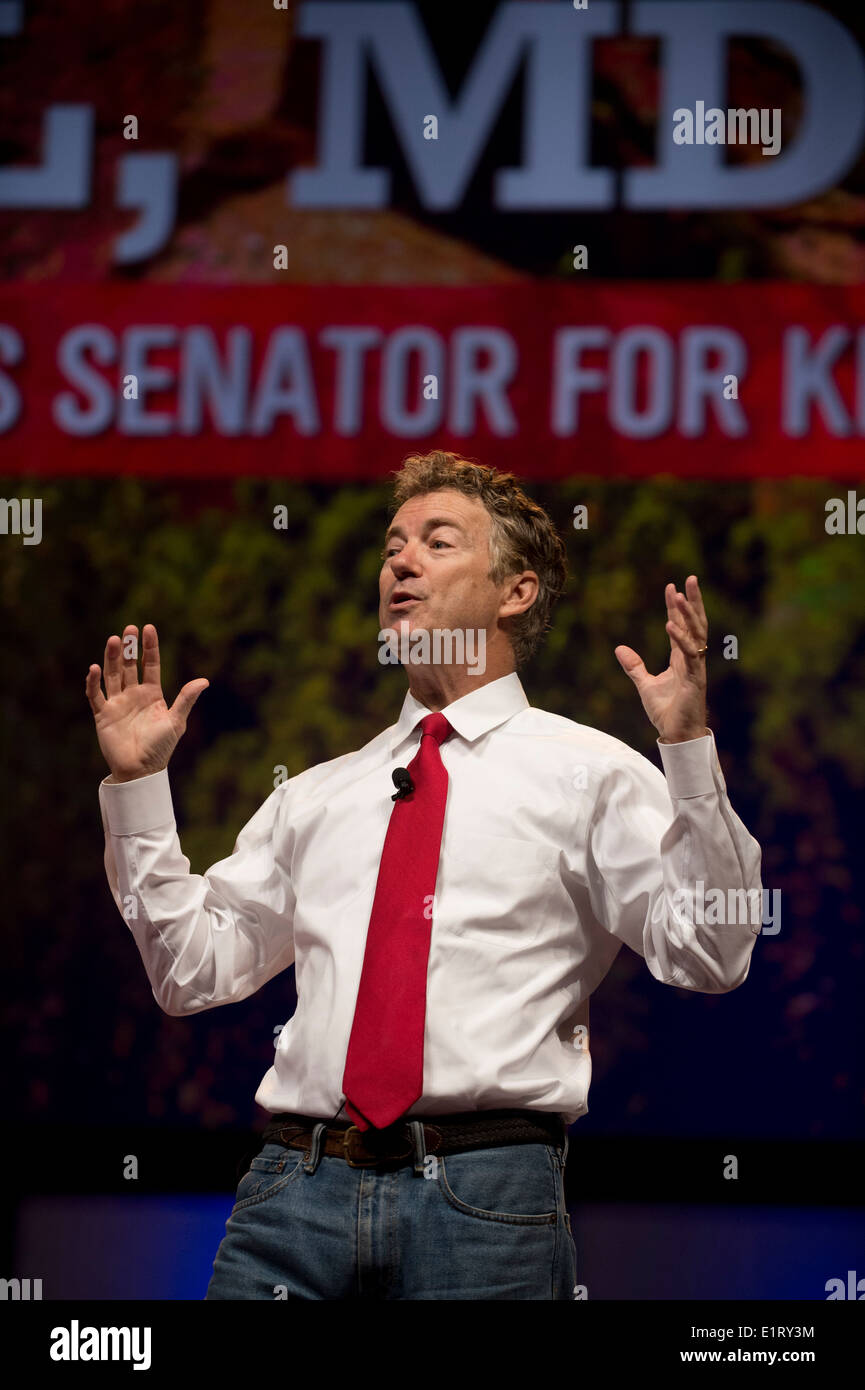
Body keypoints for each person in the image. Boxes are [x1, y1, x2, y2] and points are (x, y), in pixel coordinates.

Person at [86, 450, 762, 1301]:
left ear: (515, 592)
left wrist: (688, 750)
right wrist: (138, 787)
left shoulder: (591, 773)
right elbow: (191, 972)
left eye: (437, 543)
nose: (399, 562)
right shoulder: (318, 795)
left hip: (486, 1202)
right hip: (290, 1196)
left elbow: (711, 950)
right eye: (391, 545)